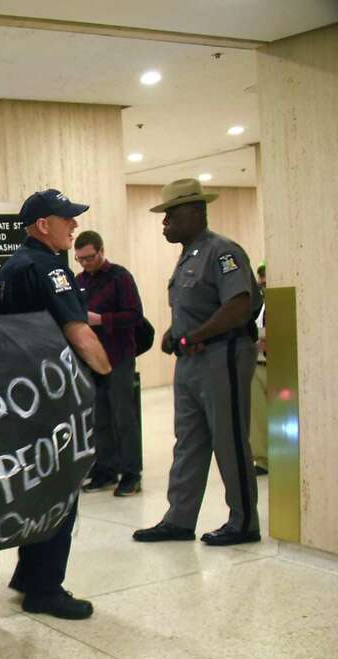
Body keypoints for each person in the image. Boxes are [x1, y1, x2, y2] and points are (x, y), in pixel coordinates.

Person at [0, 188, 111, 621]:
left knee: (37, 487)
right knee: (60, 490)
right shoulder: (47, 266)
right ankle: (45, 586)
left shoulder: (14, 265)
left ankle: (28, 574)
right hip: (54, 396)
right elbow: (76, 330)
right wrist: (106, 374)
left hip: (23, 396)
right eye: (67, 219)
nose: (74, 225)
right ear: (44, 225)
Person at [133, 178, 262, 547]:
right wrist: (176, 332)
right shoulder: (189, 255)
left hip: (223, 356)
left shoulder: (223, 252)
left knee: (229, 439)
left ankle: (243, 522)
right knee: (188, 441)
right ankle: (179, 519)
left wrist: (196, 335)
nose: (164, 223)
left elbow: (238, 306)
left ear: (195, 212)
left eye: (170, 215)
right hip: (191, 361)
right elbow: (198, 306)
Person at [74, 230, 145, 497]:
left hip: (118, 356)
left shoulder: (120, 277)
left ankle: (131, 474)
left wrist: (102, 320)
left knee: (123, 417)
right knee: (99, 418)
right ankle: (105, 470)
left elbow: (135, 316)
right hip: (91, 358)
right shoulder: (79, 281)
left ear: (101, 251)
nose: (85, 263)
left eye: (90, 257)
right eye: (80, 259)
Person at [251, 263, 268, 475]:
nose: (262, 282)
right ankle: (263, 459)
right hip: (256, 363)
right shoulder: (257, 304)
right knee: (257, 417)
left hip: (275, 365)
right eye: (260, 278)